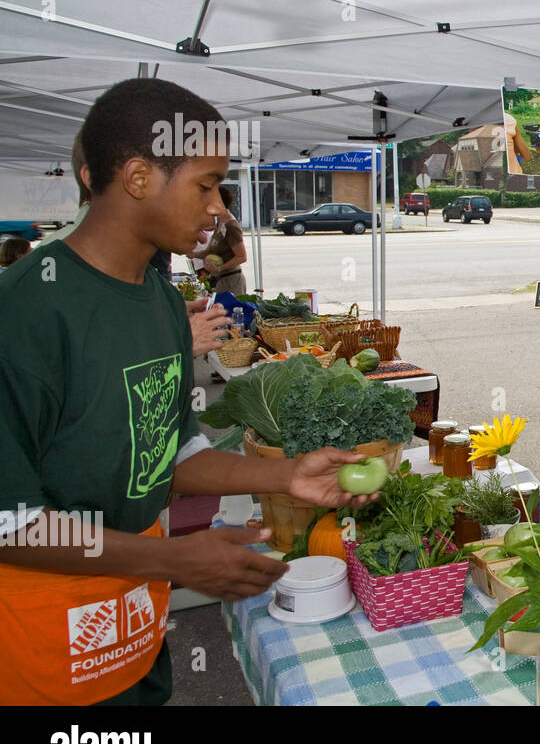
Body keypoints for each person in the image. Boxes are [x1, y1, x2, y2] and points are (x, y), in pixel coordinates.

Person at [0, 78, 378, 705]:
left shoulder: (159, 303)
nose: (221, 208)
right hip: (39, 651)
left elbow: (173, 454)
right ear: (140, 177)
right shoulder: (28, 311)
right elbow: (11, 524)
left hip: (133, 631)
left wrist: (286, 476)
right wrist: (176, 562)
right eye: (206, 185)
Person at [45, 132, 233, 356]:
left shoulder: (138, 270)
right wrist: (174, 345)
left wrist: (156, 316)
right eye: (198, 187)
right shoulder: (56, 270)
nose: (217, 208)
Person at [204, 184, 248, 296]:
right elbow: (212, 250)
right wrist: (194, 254)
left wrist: (219, 268)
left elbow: (242, 257)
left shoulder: (231, 226)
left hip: (232, 282)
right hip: (221, 281)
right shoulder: (220, 222)